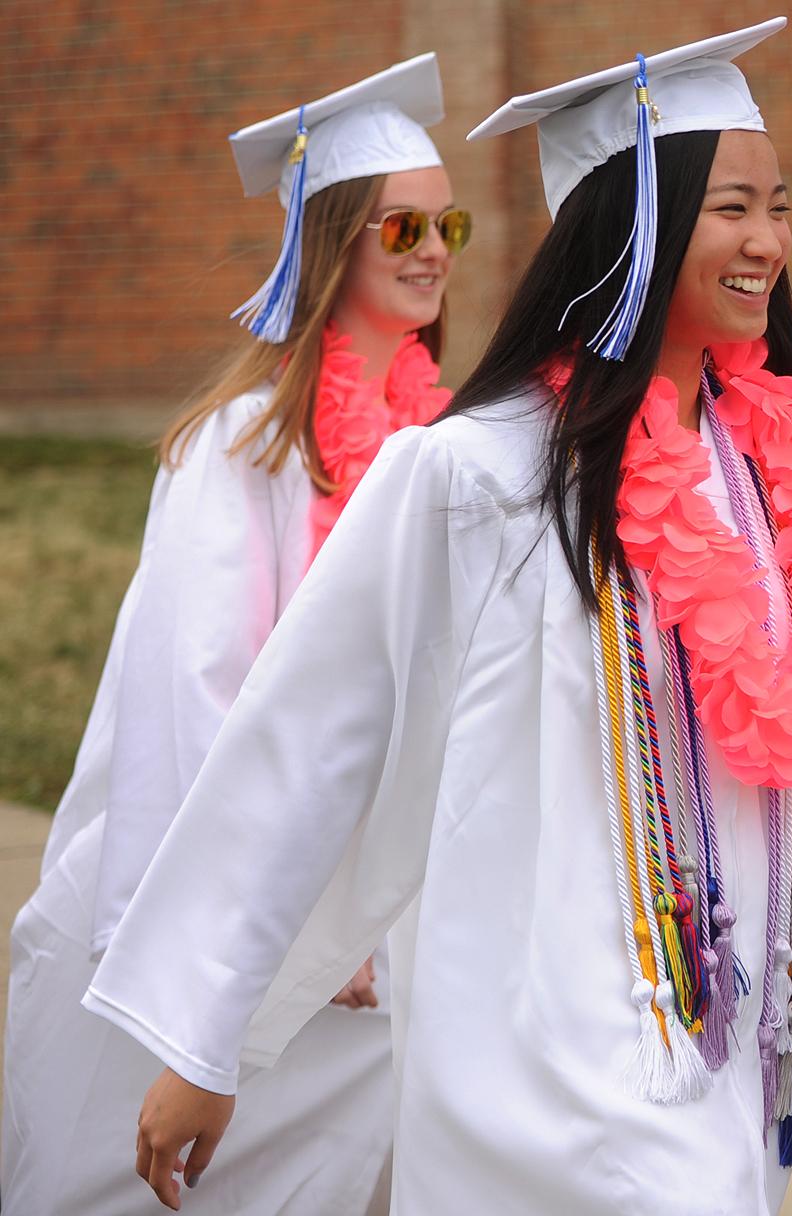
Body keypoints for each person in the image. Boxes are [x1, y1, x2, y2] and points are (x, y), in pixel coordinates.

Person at [83, 19, 792, 1215]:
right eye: (731, 208)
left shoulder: (770, 470)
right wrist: (210, 1038)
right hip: (542, 1025)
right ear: (631, 227)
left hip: (720, 1026)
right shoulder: (476, 474)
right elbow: (315, 735)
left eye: (778, 206)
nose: (770, 241)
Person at [3, 55, 466, 1215]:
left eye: (445, 221)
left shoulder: (443, 452)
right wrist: (284, 933)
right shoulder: (248, 447)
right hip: (236, 921)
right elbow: (198, 703)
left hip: (375, 931)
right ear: (329, 246)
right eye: (400, 224)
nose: (432, 248)